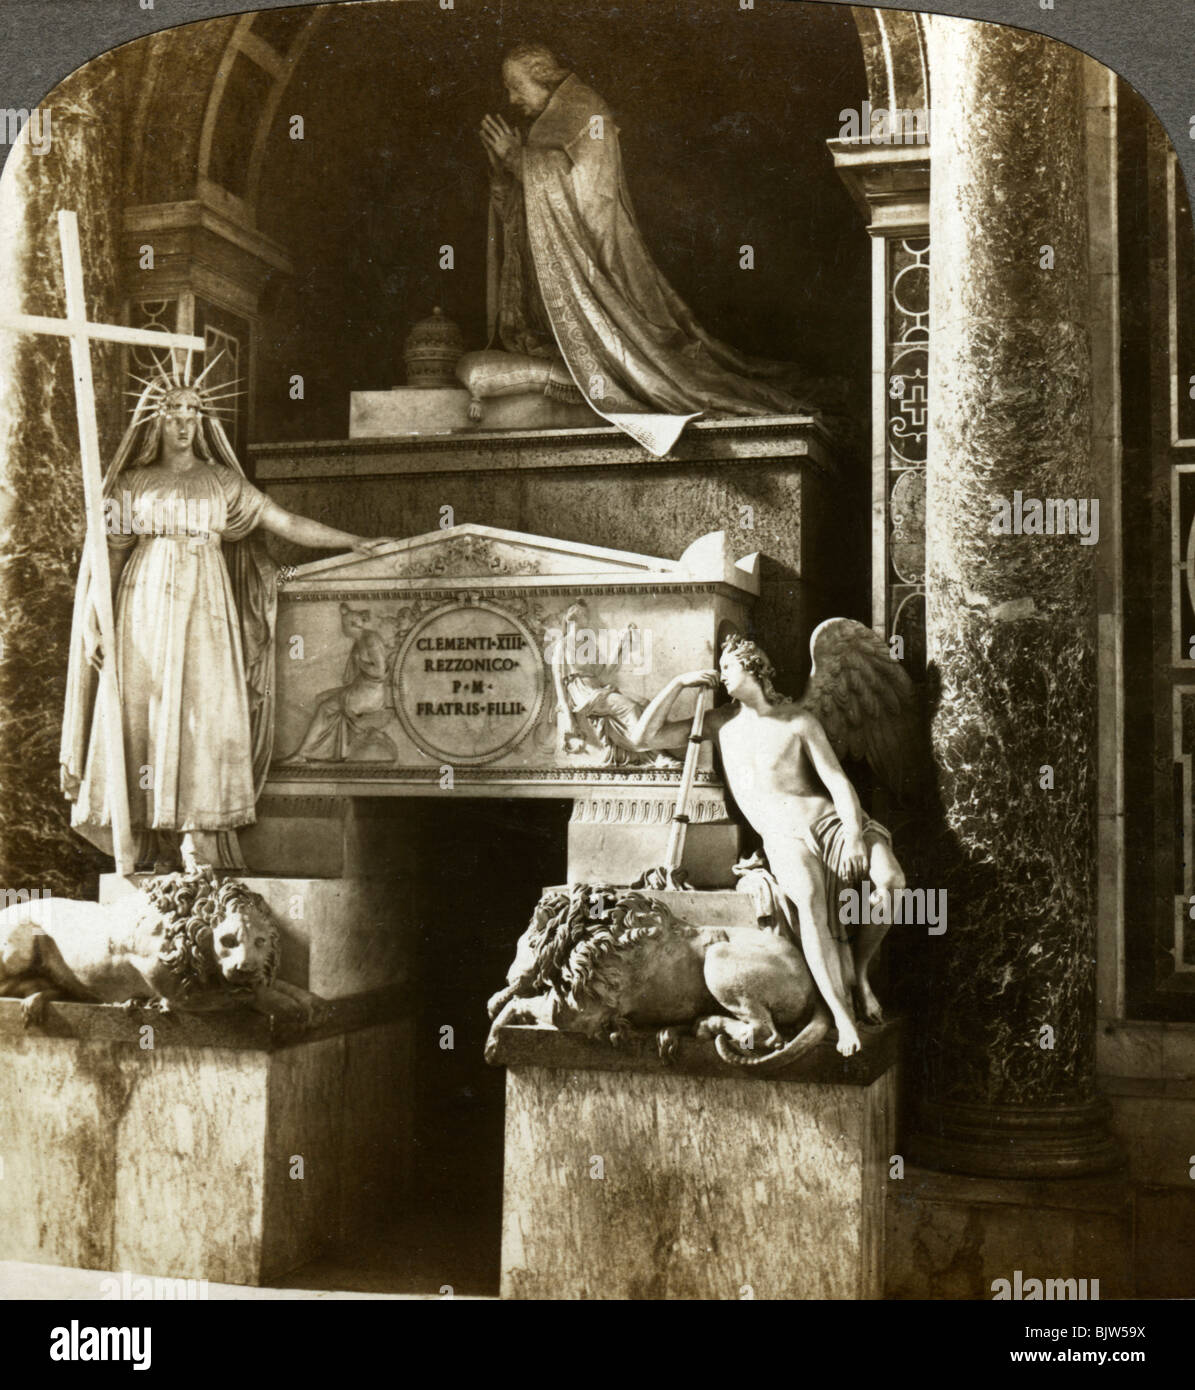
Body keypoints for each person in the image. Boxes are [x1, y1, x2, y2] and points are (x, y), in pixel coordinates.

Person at [61, 371, 392, 870]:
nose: (184, 422)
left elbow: (284, 521)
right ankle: (144, 834)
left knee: (205, 708)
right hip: (144, 603)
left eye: (192, 411)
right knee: (144, 708)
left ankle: (198, 832)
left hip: (207, 605)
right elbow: (108, 556)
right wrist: (92, 619)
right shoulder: (131, 483)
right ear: (154, 422)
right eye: (173, 412)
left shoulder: (221, 481)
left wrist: (353, 542)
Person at [476, 44, 811, 455]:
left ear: (542, 76)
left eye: (515, 86)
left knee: (672, 368)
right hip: (558, 299)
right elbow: (524, 213)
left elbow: (592, 203)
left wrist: (520, 160)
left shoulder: (587, 113)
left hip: (606, 270)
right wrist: (506, 171)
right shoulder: (543, 126)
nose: (511, 99)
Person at [626, 636, 907, 1056]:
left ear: (753, 667)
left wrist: (852, 833)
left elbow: (837, 782)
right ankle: (843, 1017)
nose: (721, 675)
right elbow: (641, 738)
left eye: (728, 667)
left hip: (832, 823)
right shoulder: (718, 723)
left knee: (893, 884)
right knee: (809, 901)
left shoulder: (798, 720)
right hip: (783, 838)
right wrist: (679, 683)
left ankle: (860, 971)